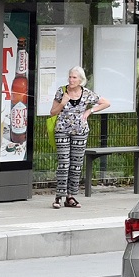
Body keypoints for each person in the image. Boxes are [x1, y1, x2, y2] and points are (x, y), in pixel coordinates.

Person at [50, 66, 110, 209]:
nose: (71, 80)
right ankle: (59, 196)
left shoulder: (87, 93)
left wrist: (90, 111)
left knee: (76, 165)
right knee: (64, 163)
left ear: (80, 80)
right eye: (70, 77)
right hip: (62, 130)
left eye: (74, 77)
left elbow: (106, 103)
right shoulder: (61, 91)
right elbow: (52, 112)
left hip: (80, 131)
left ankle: (70, 196)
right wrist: (63, 103)